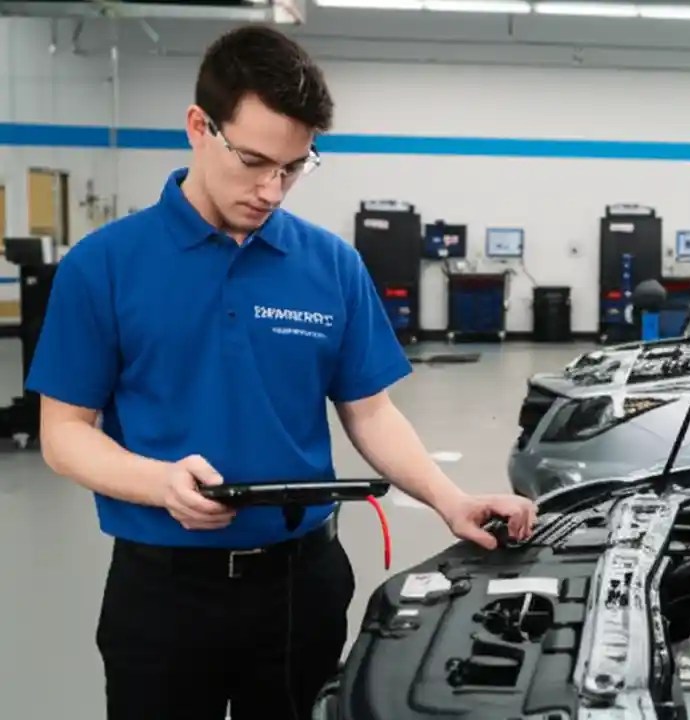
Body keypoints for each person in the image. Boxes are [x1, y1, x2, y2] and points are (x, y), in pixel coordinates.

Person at [25, 24, 536, 720]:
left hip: (302, 586)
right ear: (198, 127)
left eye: (294, 167)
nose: (272, 189)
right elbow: (64, 433)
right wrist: (159, 482)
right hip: (163, 593)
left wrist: (451, 500)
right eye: (254, 161)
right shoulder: (104, 266)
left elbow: (371, 411)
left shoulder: (329, 266)